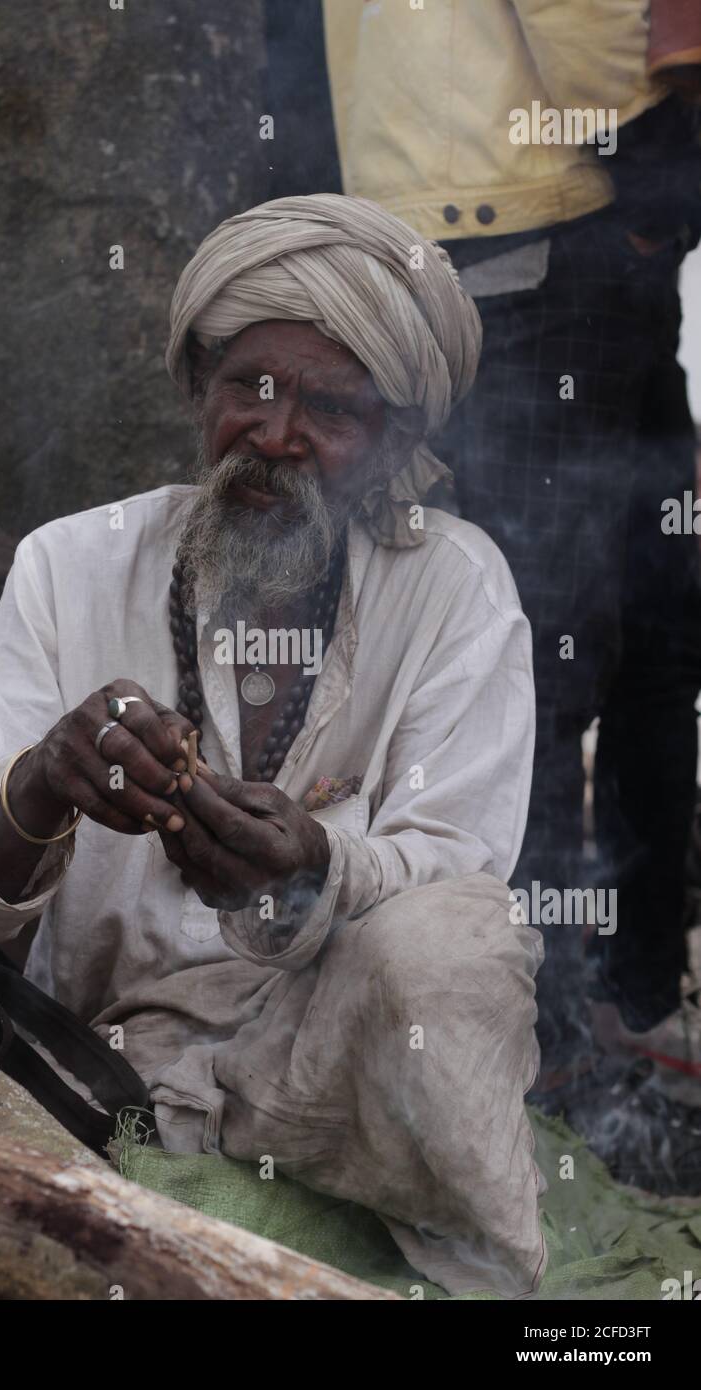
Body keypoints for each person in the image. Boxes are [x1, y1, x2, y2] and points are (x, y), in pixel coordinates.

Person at [0, 193, 546, 1297]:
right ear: (200, 387)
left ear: (393, 441)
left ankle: (492, 1283)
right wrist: (44, 781)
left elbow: (462, 863)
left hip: (337, 1069)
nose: (276, 436)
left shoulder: (453, 586)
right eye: (252, 386)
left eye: (330, 410)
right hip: (114, 1057)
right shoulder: (71, 565)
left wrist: (318, 866)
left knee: (454, 942)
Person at [322, 0, 701, 1096]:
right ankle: (544, 1026)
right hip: (546, 223)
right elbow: (580, 18)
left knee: (616, 636)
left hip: (496, 218)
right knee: (561, 651)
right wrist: (661, 174)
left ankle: (603, 1002)